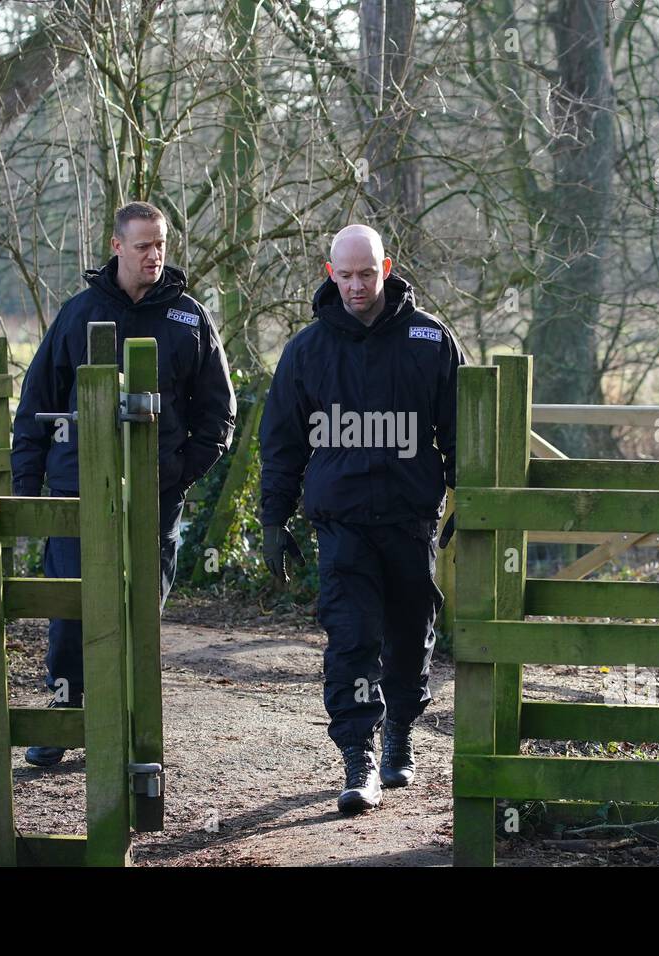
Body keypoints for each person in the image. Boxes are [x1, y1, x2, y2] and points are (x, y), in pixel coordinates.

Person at [11, 200, 236, 767]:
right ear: (117, 246)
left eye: (161, 244)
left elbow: (219, 416)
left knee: (141, 613)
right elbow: (35, 404)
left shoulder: (190, 319)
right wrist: (28, 487)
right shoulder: (78, 315)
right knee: (72, 611)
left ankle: (133, 728)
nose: (154, 255)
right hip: (77, 492)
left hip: (153, 498)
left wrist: (177, 474)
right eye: (142, 245)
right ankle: (64, 718)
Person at [259, 223, 463, 814]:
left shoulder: (430, 341)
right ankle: (358, 754)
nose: (355, 285)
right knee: (351, 638)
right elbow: (282, 442)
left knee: (408, 631)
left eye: (366, 273)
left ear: (386, 267)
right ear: (330, 273)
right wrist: (275, 519)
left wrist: (466, 496)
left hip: (409, 517)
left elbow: (462, 430)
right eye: (345, 275)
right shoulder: (307, 350)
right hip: (342, 521)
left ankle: (399, 727)